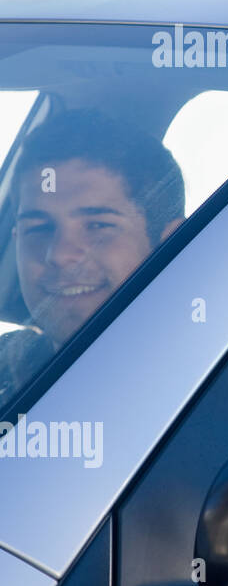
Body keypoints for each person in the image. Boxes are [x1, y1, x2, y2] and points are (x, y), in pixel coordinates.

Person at [1, 109, 185, 400]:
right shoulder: (8, 363)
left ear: (170, 246)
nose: (59, 254)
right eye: (38, 228)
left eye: (98, 225)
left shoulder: (217, 398)